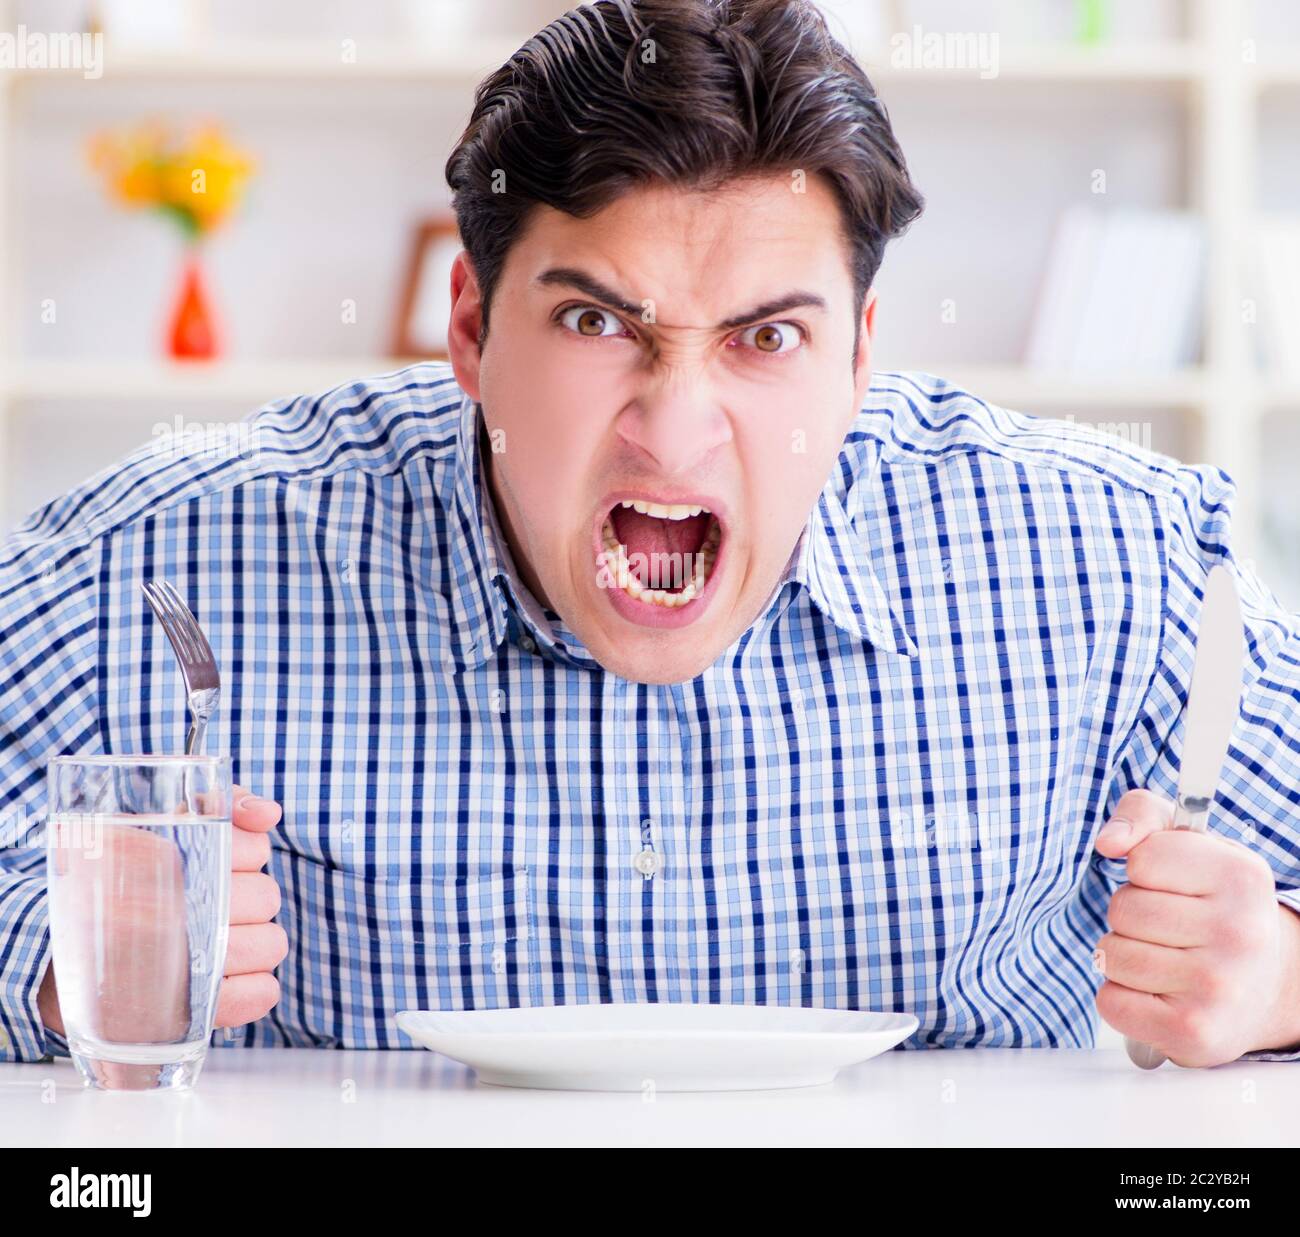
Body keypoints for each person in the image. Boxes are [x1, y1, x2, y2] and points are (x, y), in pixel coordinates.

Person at [2, 0, 1298, 1069]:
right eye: (595, 323)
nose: (675, 433)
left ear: (859, 355)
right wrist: (50, 957)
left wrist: (1280, 973)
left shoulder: (1109, 564)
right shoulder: (146, 573)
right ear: (468, 326)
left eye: (767, 336)